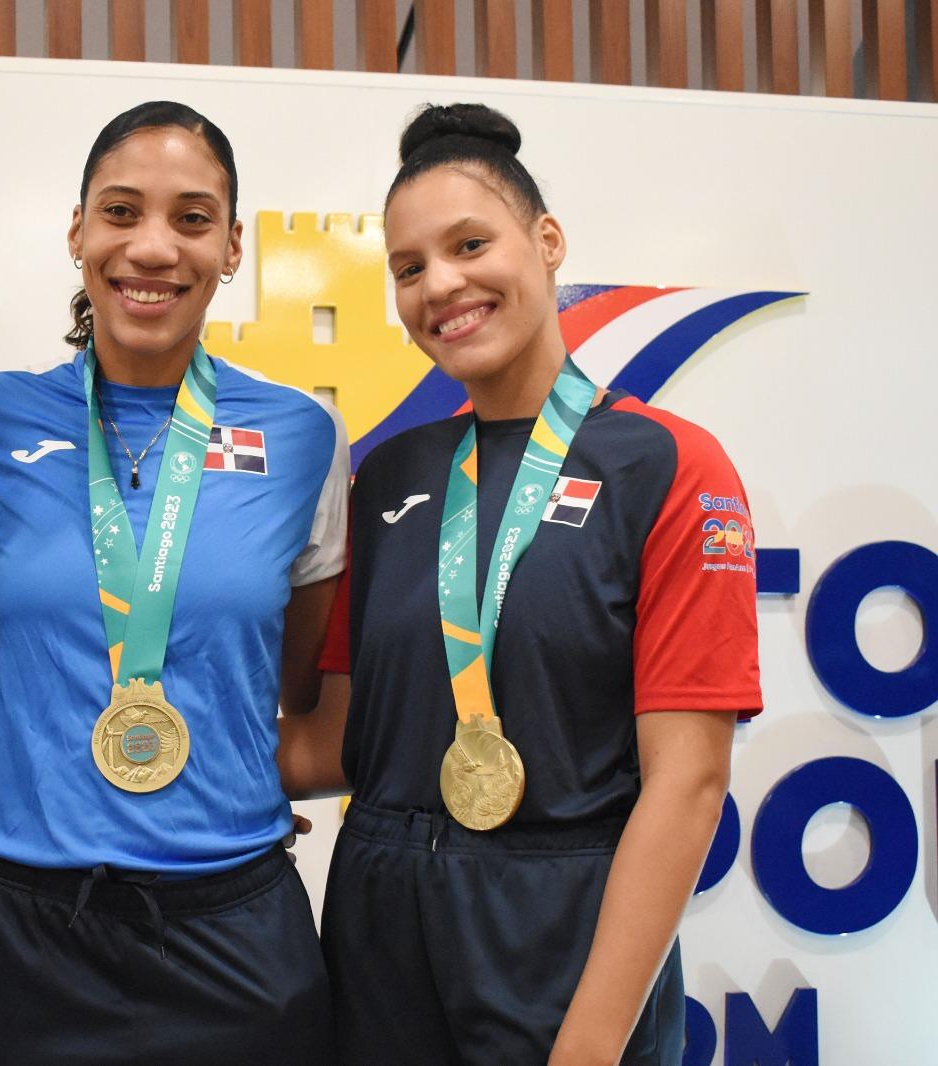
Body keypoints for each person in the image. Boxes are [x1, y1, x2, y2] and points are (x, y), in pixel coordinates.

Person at [294, 103, 761, 1065]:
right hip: (378, 933)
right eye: (409, 268)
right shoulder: (388, 476)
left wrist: (589, 1045)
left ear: (547, 243)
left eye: (470, 245)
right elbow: (339, 740)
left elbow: (689, 784)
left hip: (561, 929)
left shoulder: (666, 465)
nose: (441, 285)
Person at [0, 100, 349, 1065]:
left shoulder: (304, 435)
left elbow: (292, 687)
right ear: (77, 231)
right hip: (13, 933)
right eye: (121, 212)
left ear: (231, 248)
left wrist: (218, 782)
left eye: (192, 219)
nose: (153, 247)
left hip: (230, 933)